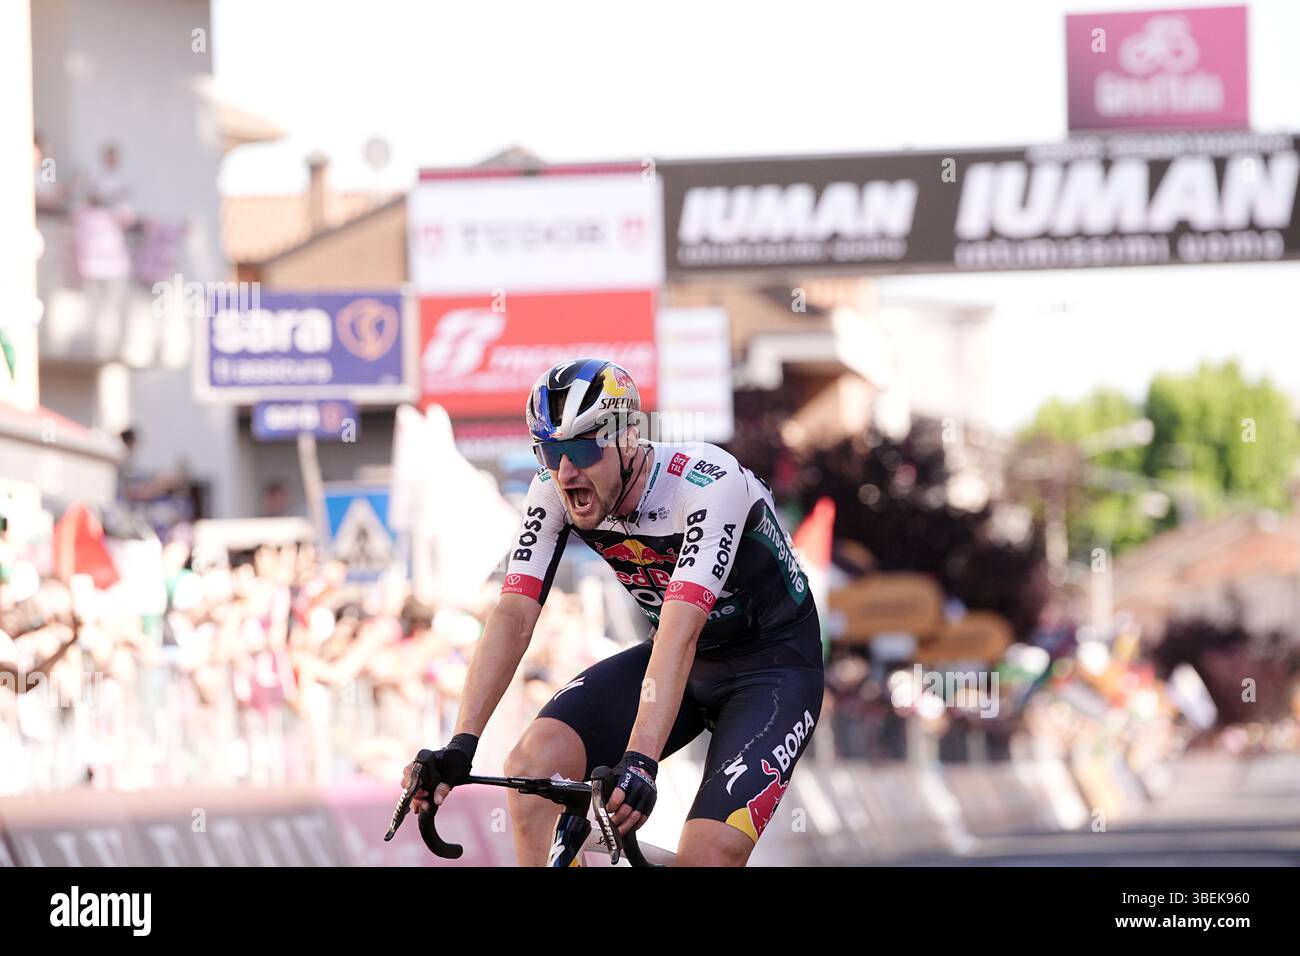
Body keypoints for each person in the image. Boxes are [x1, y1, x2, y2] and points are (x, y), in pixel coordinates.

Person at [404, 358, 824, 866]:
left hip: (772, 670)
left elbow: (678, 634)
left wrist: (641, 762)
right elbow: (513, 614)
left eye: (582, 448)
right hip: (677, 664)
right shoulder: (554, 489)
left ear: (627, 439)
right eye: (550, 450)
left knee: (709, 857)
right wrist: (461, 744)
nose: (565, 471)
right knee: (530, 769)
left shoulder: (708, 485)